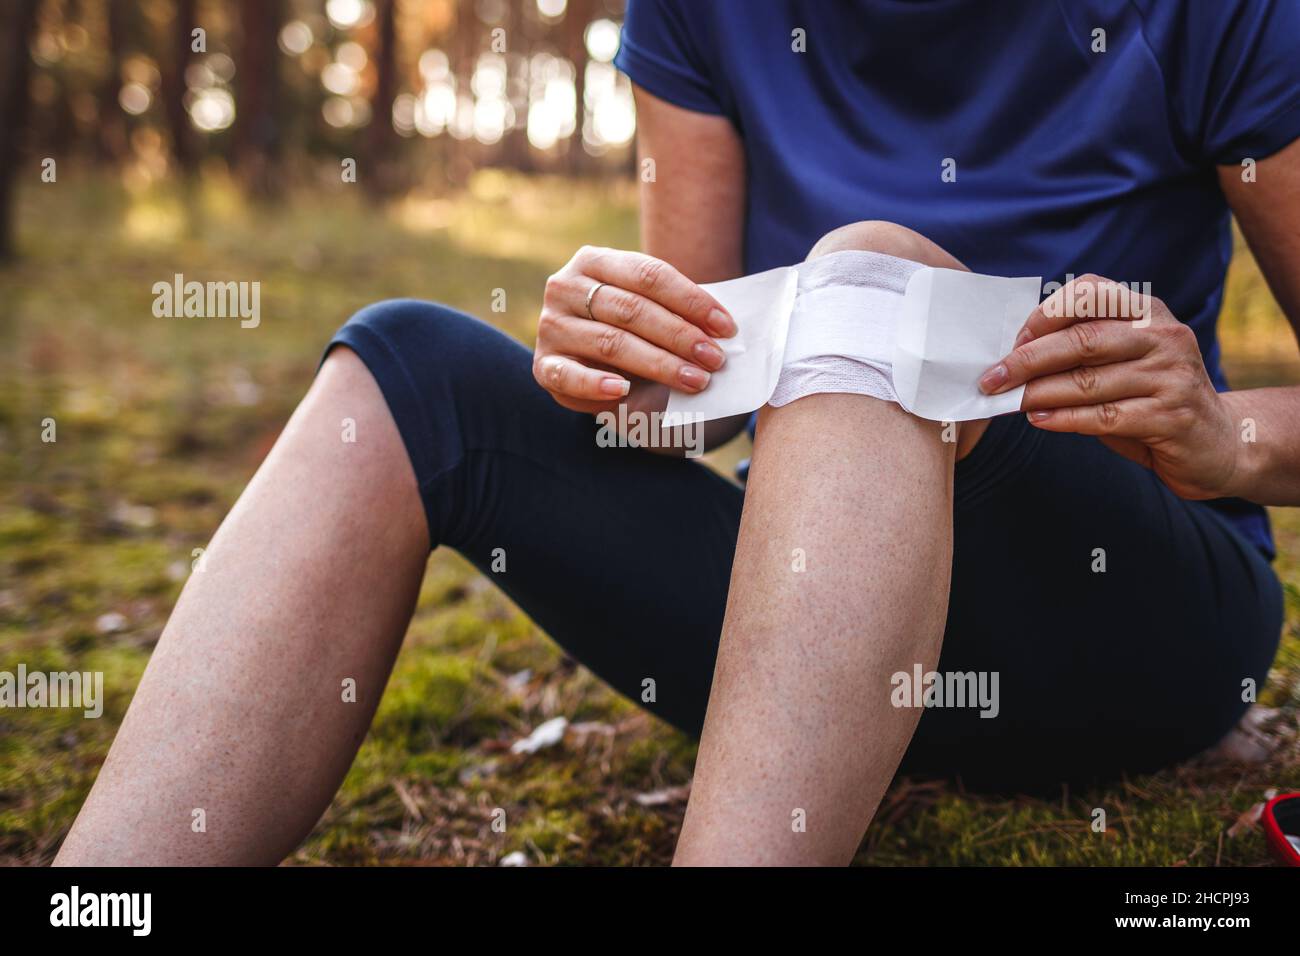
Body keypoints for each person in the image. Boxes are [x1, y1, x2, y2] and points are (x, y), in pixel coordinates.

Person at [57, 0, 1300, 866]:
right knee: (408, 361)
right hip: (809, 627)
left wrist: (1221, 435)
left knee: (868, 273)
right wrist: (613, 361)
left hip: (1123, 617)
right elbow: (686, 400)